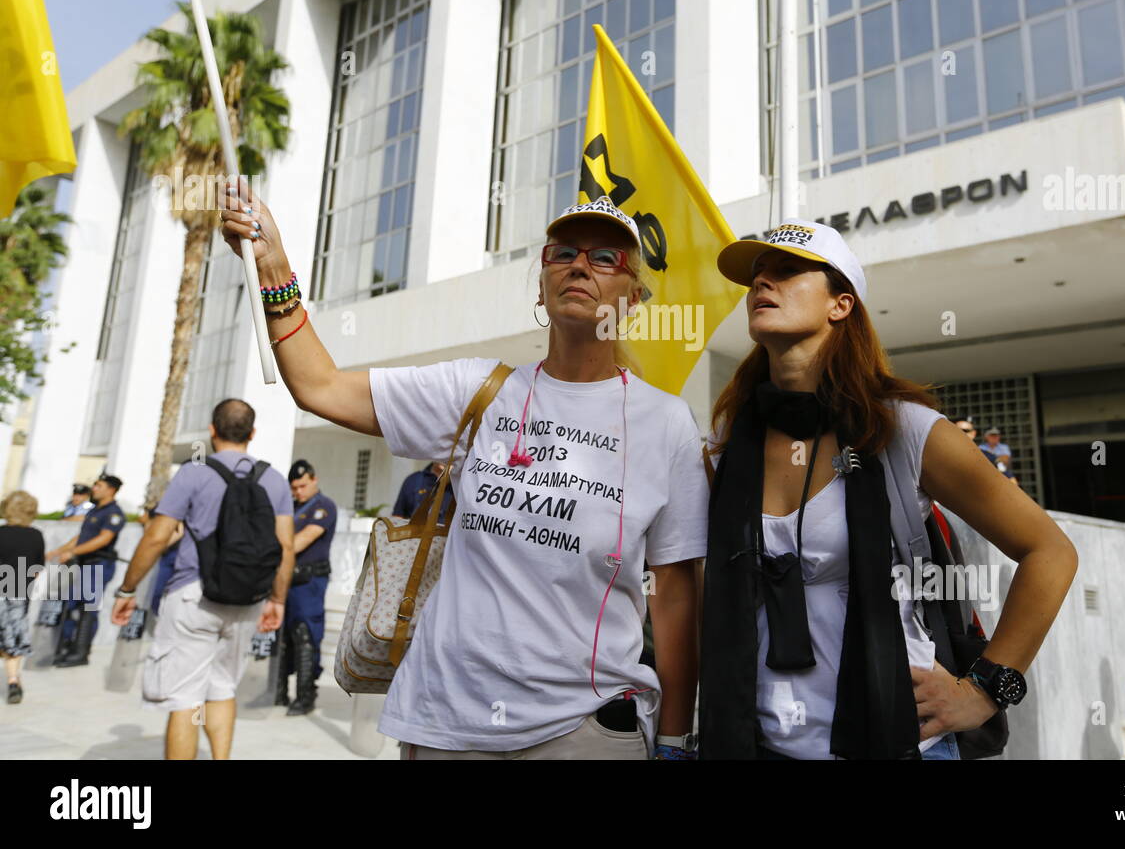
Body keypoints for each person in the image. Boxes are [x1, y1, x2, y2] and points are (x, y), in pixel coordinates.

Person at [215, 182, 707, 760]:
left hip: (585, 732)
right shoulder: (478, 391)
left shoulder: (666, 423)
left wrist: (674, 738)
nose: (580, 266)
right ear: (542, 283)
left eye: (606, 258)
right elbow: (319, 386)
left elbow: (676, 593)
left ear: (634, 296)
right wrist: (273, 265)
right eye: (563, 253)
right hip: (445, 722)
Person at [699, 220, 1078, 760]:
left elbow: (1051, 552)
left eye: (786, 271)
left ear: (841, 305)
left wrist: (988, 690)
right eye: (757, 276)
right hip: (759, 743)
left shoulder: (905, 431)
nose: (762, 284)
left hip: (898, 740)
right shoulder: (726, 441)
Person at [109, 399, 294, 760]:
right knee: (222, 689)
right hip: (247, 600)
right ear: (252, 434)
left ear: (212, 430)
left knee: (185, 698)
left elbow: (157, 536)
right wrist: (278, 600)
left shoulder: (194, 472)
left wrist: (127, 588)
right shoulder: (274, 479)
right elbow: (285, 546)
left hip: (195, 595)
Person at [45, 474, 126, 667]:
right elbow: (82, 536)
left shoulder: (113, 513)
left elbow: (104, 539)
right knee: (70, 604)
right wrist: (59, 551)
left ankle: (81, 652)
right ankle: (66, 647)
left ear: (111, 490)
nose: (94, 489)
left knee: (88, 609)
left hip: (98, 564)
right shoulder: (95, 511)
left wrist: (72, 552)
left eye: (98, 485)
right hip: (83, 564)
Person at [277, 458, 337, 716]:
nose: (298, 492)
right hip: (286, 579)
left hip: (309, 582)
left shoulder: (323, 506)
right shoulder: (289, 507)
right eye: (294, 487)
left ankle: (305, 696)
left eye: (302, 485)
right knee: (281, 638)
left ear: (314, 479)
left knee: (306, 635)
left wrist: (276, 545)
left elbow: (301, 541)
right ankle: (277, 691)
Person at [1, 491, 45, 703]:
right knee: (14, 640)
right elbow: (36, 569)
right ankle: (13, 682)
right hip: (18, 593)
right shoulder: (36, 536)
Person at [956, 417, 1015, 482]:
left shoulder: (985, 453)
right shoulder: (944, 455)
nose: (961, 433)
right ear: (986, 436)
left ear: (973, 434)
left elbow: (1005, 464)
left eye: (965, 431)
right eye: (956, 430)